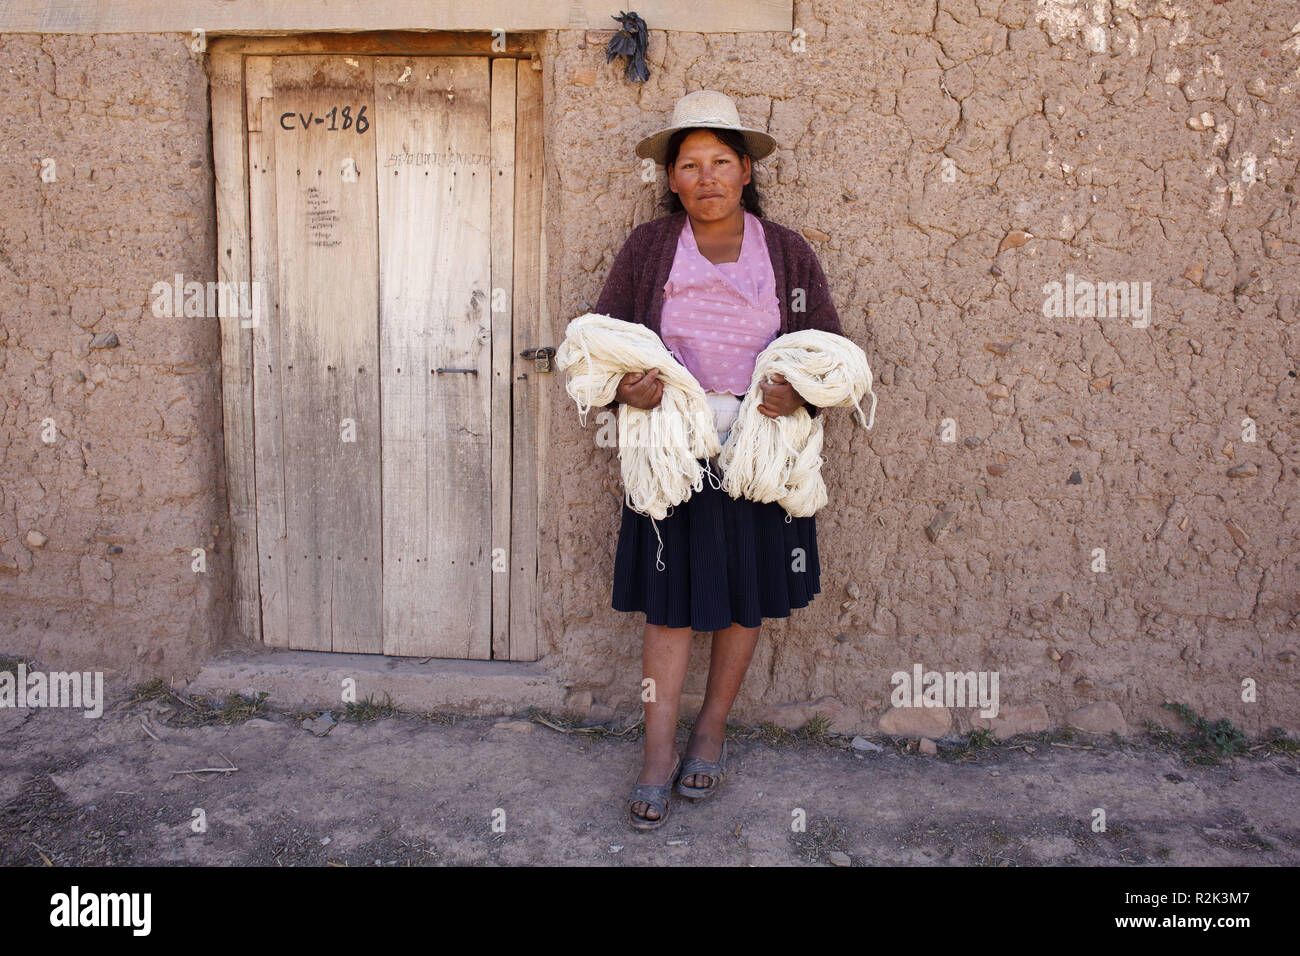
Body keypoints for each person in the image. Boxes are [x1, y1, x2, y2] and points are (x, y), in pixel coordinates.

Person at [592, 90, 847, 830]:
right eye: (690, 165)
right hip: (672, 454)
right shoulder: (648, 250)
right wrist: (625, 391)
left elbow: (829, 347)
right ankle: (657, 752)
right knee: (668, 607)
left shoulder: (787, 252)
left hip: (759, 452)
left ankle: (711, 731)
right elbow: (602, 341)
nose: (706, 178)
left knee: (743, 597)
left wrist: (800, 395)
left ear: (745, 171)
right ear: (672, 179)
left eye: (721, 162)